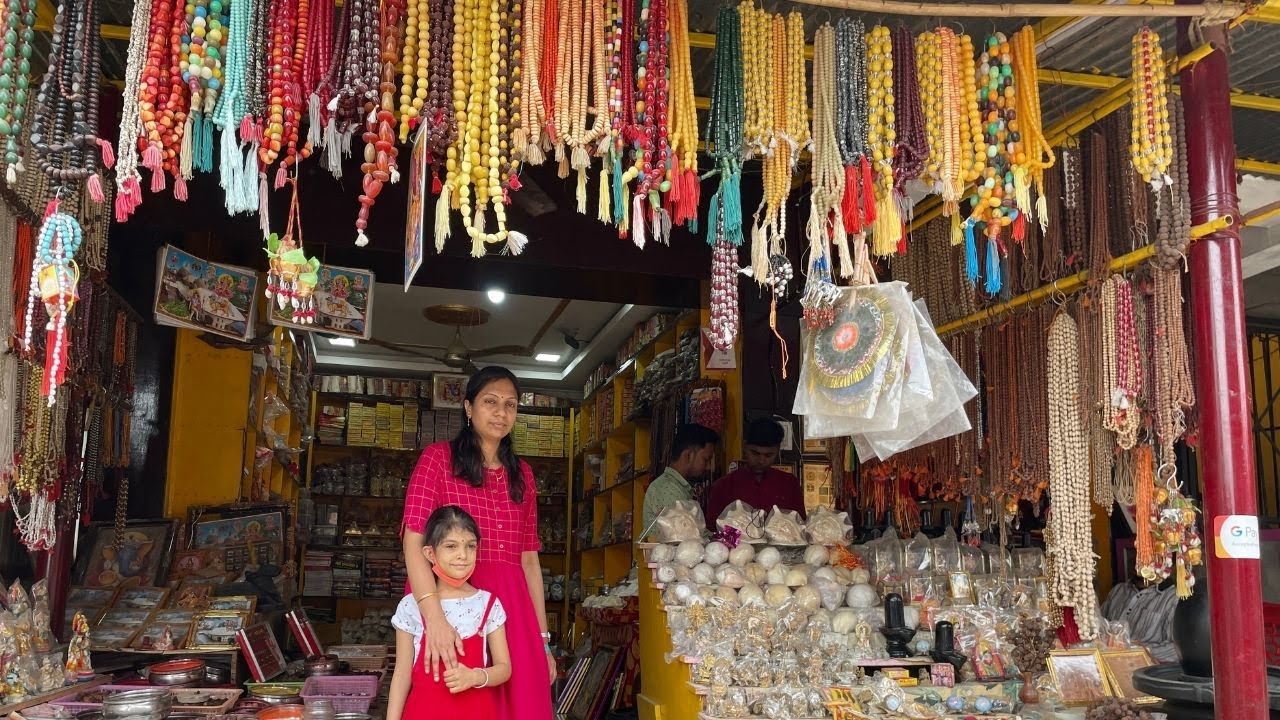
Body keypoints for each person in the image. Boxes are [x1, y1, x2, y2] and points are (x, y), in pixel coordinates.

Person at [401, 366, 553, 720]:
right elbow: (413, 543)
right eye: (490, 401)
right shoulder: (437, 460)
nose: (501, 412)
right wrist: (434, 618)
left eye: (511, 405)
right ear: (468, 407)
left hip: (513, 607)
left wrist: (543, 641)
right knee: (452, 703)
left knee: (523, 704)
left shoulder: (524, 474)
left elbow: (529, 561)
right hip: (449, 601)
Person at [387, 505, 512, 720]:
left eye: (470, 546)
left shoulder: (488, 603)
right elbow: (401, 675)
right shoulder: (411, 606)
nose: (462, 555)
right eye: (451, 546)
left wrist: (475, 676)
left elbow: (504, 669)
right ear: (430, 553)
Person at [705, 417, 806, 529]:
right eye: (755, 453)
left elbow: (800, 526)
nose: (761, 460)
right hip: (736, 546)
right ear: (744, 447)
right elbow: (712, 531)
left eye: (768, 455)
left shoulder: (790, 484)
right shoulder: (723, 486)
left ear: (778, 450)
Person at [641, 423, 720, 530]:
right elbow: (684, 534)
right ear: (688, 455)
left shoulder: (680, 488)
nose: (708, 467)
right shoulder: (666, 489)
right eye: (706, 459)